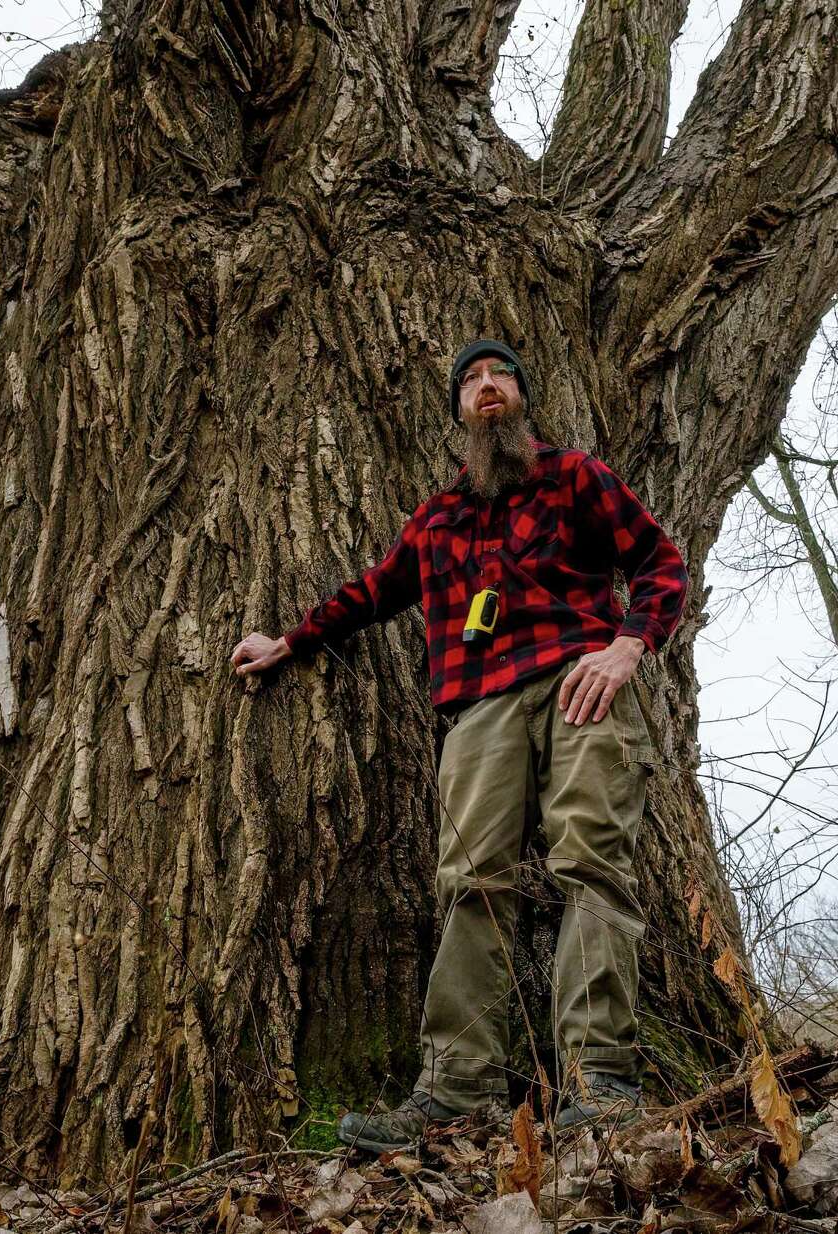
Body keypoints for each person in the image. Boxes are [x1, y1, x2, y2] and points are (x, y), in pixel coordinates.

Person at [229, 339, 689, 1152]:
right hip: (478, 709)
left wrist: (627, 648)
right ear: (457, 411)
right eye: (470, 379)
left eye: (499, 375)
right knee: (471, 883)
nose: (485, 386)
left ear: (520, 396)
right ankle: (455, 1090)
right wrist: (290, 641)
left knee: (592, 864)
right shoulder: (438, 517)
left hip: (579, 683)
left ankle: (599, 1082)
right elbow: (371, 592)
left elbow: (659, 562)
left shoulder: (577, 475)